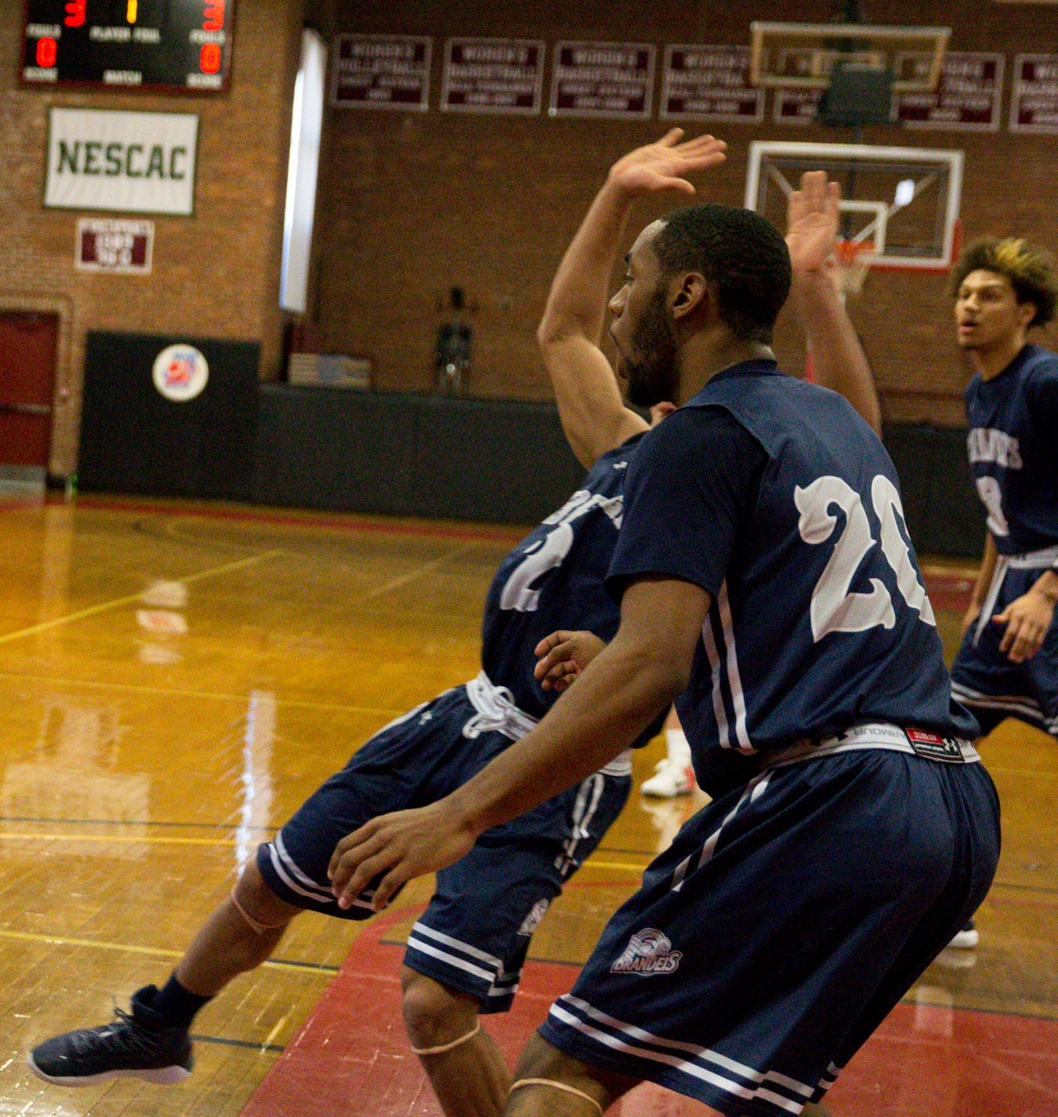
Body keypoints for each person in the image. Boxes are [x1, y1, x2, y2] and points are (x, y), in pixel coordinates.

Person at [27, 134, 884, 1115]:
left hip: (555, 763)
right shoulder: (629, 446)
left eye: (634, 286)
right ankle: (160, 1020)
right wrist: (610, 193)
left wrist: (617, 659)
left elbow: (720, 616)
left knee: (435, 1003)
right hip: (464, 715)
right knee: (276, 879)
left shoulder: (734, 464)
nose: (616, 308)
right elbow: (563, 331)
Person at [325, 199, 996, 1117]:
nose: (614, 307)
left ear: (685, 295)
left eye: (631, 281)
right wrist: (821, 291)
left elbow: (649, 667)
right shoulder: (830, 420)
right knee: (740, 1093)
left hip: (834, 799)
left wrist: (461, 813)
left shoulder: (697, 434)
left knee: (562, 1077)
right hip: (955, 805)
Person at [942, 236, 1058, 952]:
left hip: (1050, 585)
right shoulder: (979, 388)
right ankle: (950, 903)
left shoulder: (1045, 382)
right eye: (964, 294)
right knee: (938, 744)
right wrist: (980, 600)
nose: (969, 306)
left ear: (1026, 311)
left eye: (988, 296)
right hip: (1008, 592)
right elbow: (999, 512)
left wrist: (1047, 591)